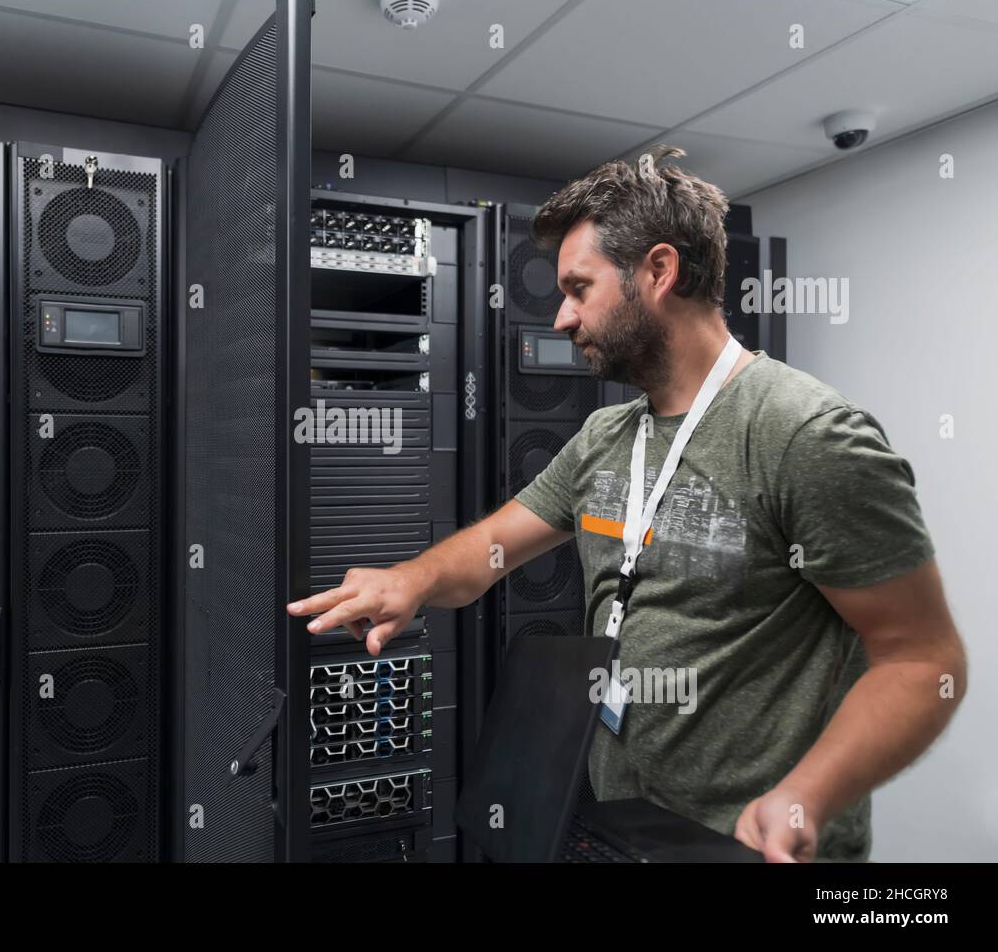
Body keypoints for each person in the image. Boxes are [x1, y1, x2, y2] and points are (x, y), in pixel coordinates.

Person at [286, 145, 966, 862]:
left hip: (746, 847)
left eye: (579, 289)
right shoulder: (606, 434)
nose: (560, 319)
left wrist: (808, 793)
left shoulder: (804, 435)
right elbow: (492, 549)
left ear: (659, 271)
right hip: (622, 833)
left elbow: (923, 661)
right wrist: (413, 580)